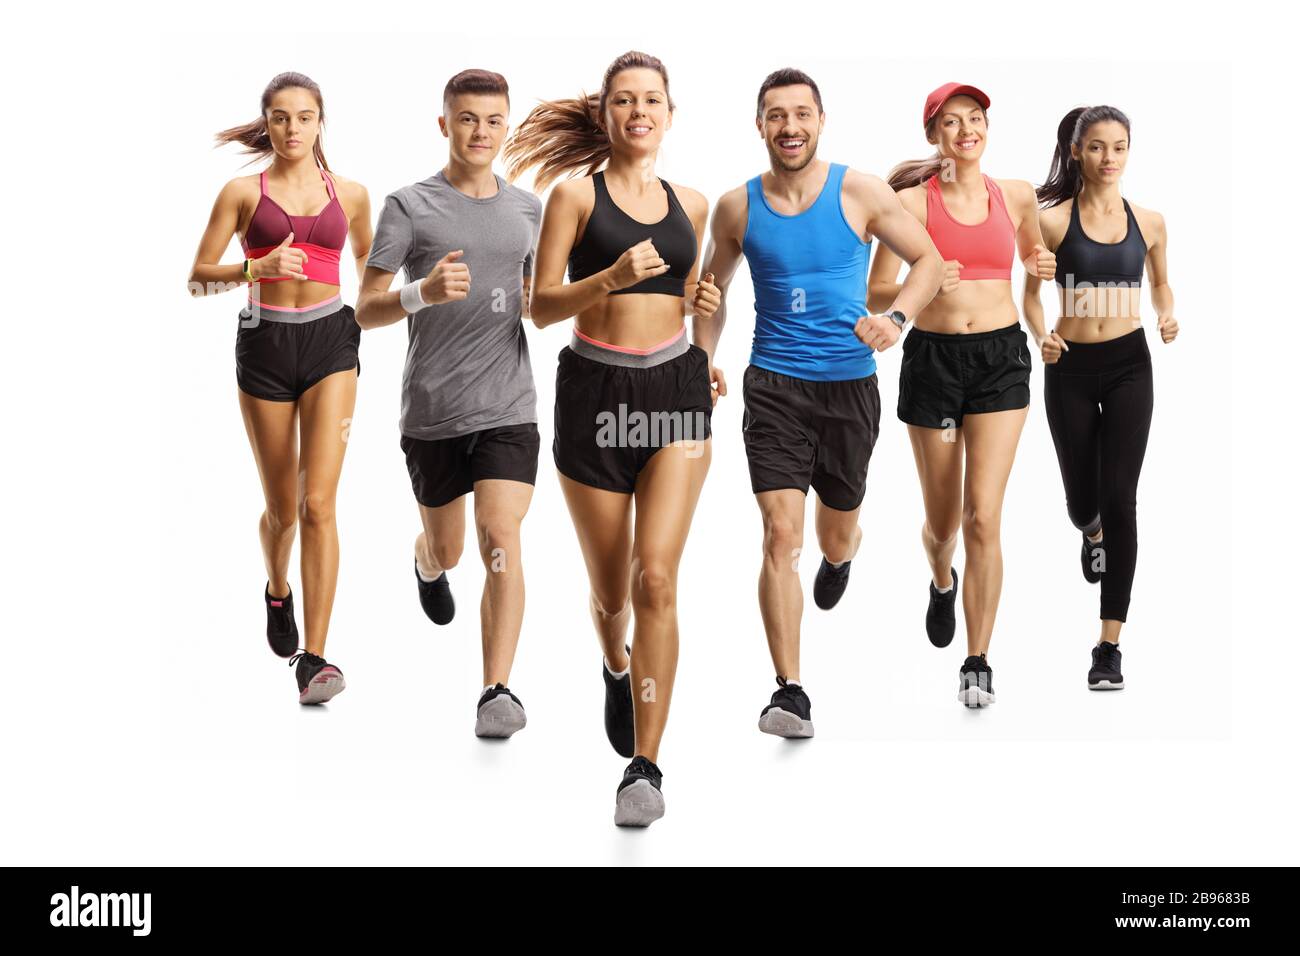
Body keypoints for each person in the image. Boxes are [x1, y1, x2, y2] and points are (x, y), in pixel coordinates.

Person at [698, 68, 943, 736]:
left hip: (848, 387)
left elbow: (926, 262)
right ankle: (789, 691)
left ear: (821, 121)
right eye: (776, 115)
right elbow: (709, 294)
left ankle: (842, 555)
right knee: (780, 534)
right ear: (759, 126)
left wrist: (894, 321)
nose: (789, 127)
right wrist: (703, 354)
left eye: (801, 114)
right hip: (773, 385)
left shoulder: (859, 191)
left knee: (833, 532)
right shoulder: (736, 208)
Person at [504, 51, 715, 826]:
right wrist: (611, 279)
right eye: (623, 100)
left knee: (657, 577)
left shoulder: (692, 203)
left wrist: (706, 310)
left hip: (676, 392)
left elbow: (694, 300)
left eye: (651, 99)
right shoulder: (572, 197)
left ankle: (646, 768)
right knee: (613, 591)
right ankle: (615, 663)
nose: (638, 112)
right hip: (594, 394)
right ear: (605, 114)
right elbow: (540, 307)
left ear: (669, 111)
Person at [356, 69, 543, 736]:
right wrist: (422, 293)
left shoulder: (528, 209)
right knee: (453, 550)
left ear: (507, 126)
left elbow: (533, 300)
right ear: (445, 124)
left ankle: (497, 690)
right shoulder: (408, 206)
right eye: (467, 119)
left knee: (502, 535)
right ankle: (425, 560)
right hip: (433, 412)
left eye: (492, 120)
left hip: (509, 406)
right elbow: (366, 308)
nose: (480, 132)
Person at [869, 82, 1055, 707]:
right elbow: (876, 293)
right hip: (934, 364)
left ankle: (978, 659)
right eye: (950, 122)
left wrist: (1043, 266)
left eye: (974, 119)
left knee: (984, 515)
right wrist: (927, 282)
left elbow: (1035, 257)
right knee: (945, 521)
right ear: (933, 135)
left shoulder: (1017, 195)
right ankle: (941, 579)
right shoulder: (910, 205)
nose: (965, 130)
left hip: (1001, 362)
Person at [188, 72, 371, 704]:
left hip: (330, 347)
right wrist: (252, 268)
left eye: (305, 116)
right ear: (267, 123)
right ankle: (277, 587)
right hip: (264, 347)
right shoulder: (242, 192)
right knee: (284, 509)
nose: (293, 128)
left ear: (323, 121)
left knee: (319, 503)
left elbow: (373, 285)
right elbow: (196, 279)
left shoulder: (350, 195)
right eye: (280, 117)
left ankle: (314, 656)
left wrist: (426, 297)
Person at [1025, 105, 1178, 691]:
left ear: (1128, 151)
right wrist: (1043, 333)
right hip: (1071, 368)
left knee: (1121, 498)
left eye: (1118, 147)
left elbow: (1161, 281)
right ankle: (1091, 534)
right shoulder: (1052, 223)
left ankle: (1108, 645)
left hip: (1128, 366)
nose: (1108, 158)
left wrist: (1166, 313)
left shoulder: (1152, 221)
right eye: (1096, 147)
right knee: (1081, 504)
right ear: (1075, 153)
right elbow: (1032, 298)